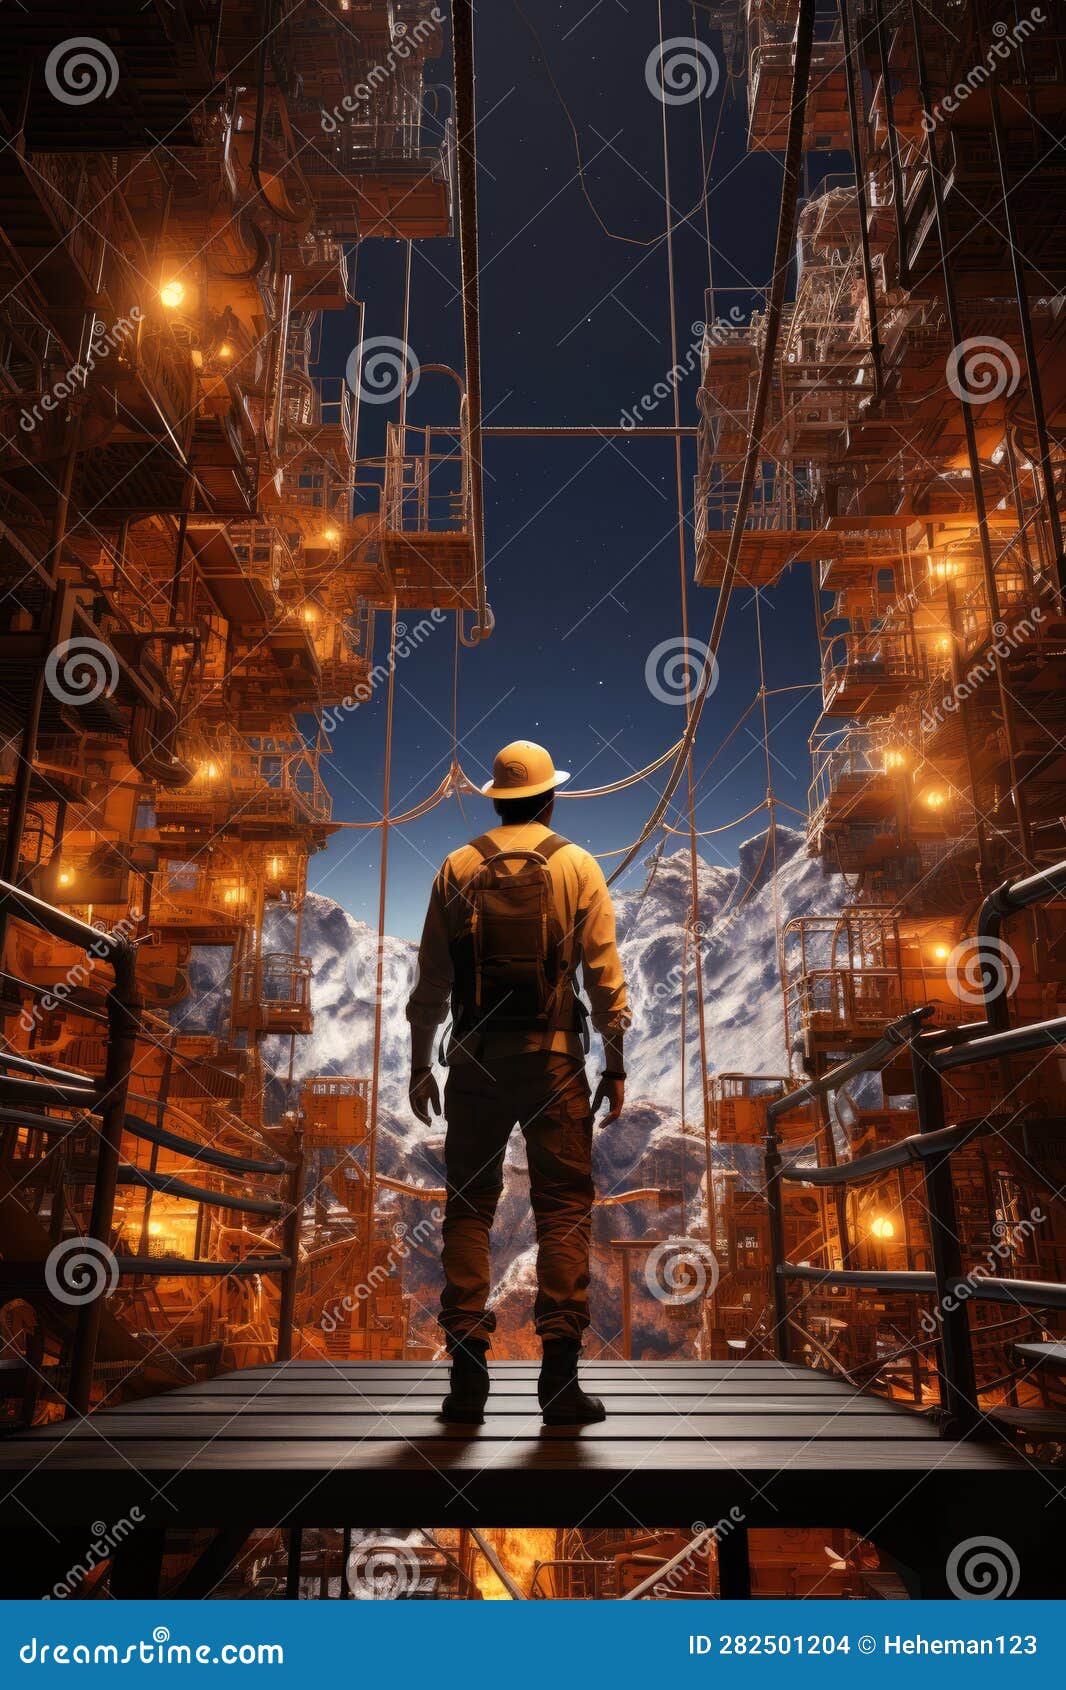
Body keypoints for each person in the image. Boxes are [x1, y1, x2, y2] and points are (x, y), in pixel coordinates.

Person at [406, 739, 629, 1426]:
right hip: (554, 1060)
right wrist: (613, 1059)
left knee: (470, 1208)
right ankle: (559, 1382)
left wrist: (421, 1063)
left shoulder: (457, 867)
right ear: (551, 797)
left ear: (496, 798)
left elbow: (432, 985)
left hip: (473, 1060)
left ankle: (467, 1380)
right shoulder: (577, 866)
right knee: (562, 1209)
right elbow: (604, 976)